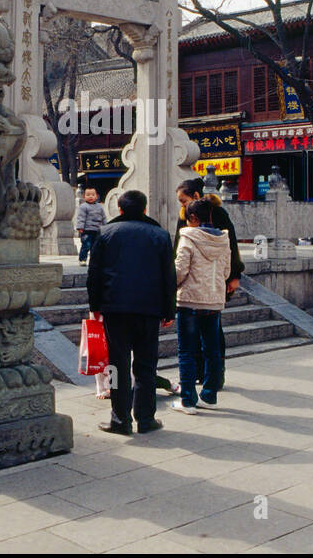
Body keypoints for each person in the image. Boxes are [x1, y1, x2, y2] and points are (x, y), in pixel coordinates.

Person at [86, 190, 175, 435]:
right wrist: (170, 310)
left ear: (120, 209)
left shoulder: (105, 233)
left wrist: (94, 307)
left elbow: (94, 274)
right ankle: (146, 419)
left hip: (115, 309)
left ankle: (120, 420)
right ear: (145, 209)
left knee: (117, 365)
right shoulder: (160, 235)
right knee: (146, 366)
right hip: (149, 310)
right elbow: (169, 276)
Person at [171, 178, 243, 392]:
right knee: (199, 338)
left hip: (207, 286)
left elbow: (232, 247)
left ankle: (214, 377)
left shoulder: (217, 214)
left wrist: (233, 275)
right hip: (200, 285)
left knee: (211, 337)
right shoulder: (184, 217)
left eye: (183, 201)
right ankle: (201, 377)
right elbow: (178, 251)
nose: (181, 206)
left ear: (195, 196)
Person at [171, 198, 231, 415]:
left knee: (186, 350)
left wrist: (170, 285)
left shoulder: (188, 237)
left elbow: (180, 270)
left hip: (189, 300)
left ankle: (188, 400)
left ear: (193, 218)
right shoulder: (223, 239)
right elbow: (226, 272)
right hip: (214, 300)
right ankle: (209, 395)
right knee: (211, 349)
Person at [74, 187, 106, 266]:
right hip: (87, 230)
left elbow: (103, 217)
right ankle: (82, 259)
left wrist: (106, 227)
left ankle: (95, 260)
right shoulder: (83, 207)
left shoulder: (100, 207)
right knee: (86, 245)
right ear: (84, 197)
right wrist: (80, 227)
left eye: (93, 195)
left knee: (96, 247)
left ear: (96, 196)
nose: (91, 196)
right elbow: (81, 217)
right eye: (88, 195)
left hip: (98, 230)